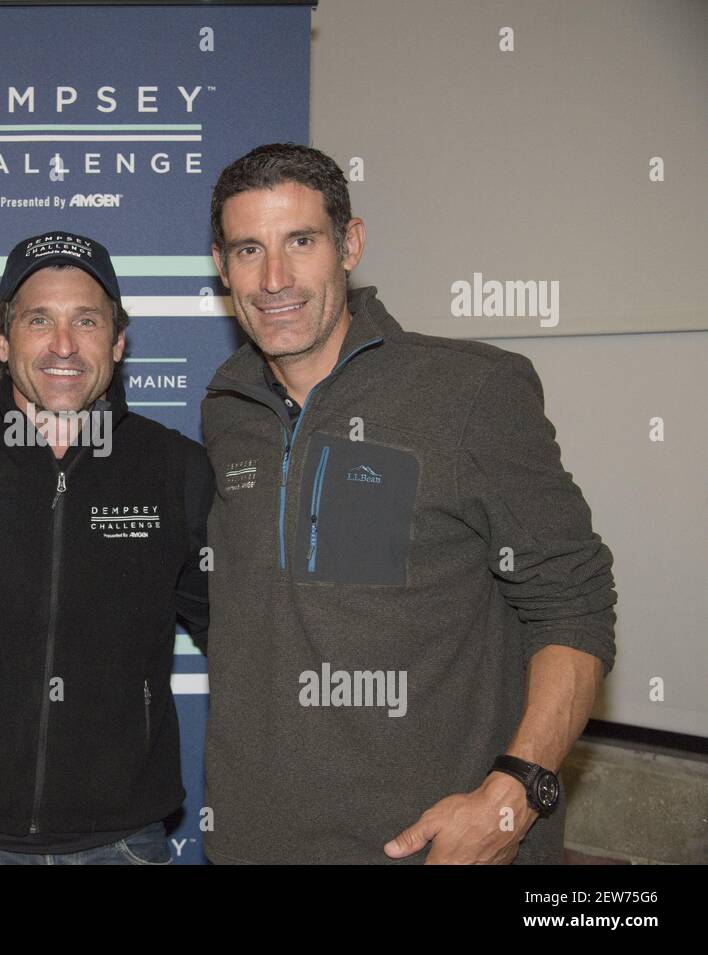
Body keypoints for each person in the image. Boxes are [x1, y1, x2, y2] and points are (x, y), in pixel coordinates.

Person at [201, 143, 617, 864]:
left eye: (301, 241)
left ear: (350, 245)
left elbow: (575, 604)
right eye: (248, 249)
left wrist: (514, 792)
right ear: (221, 265)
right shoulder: (227, 409)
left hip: (429, 849)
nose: (274, 278)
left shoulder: (469, 391)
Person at [0, 232, 212, 864]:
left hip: (124, 840)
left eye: (87, 322)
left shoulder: (175, 467)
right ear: (2, 341)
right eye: (38, 320)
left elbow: (246, 637)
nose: (64, 346)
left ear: (119, 342)